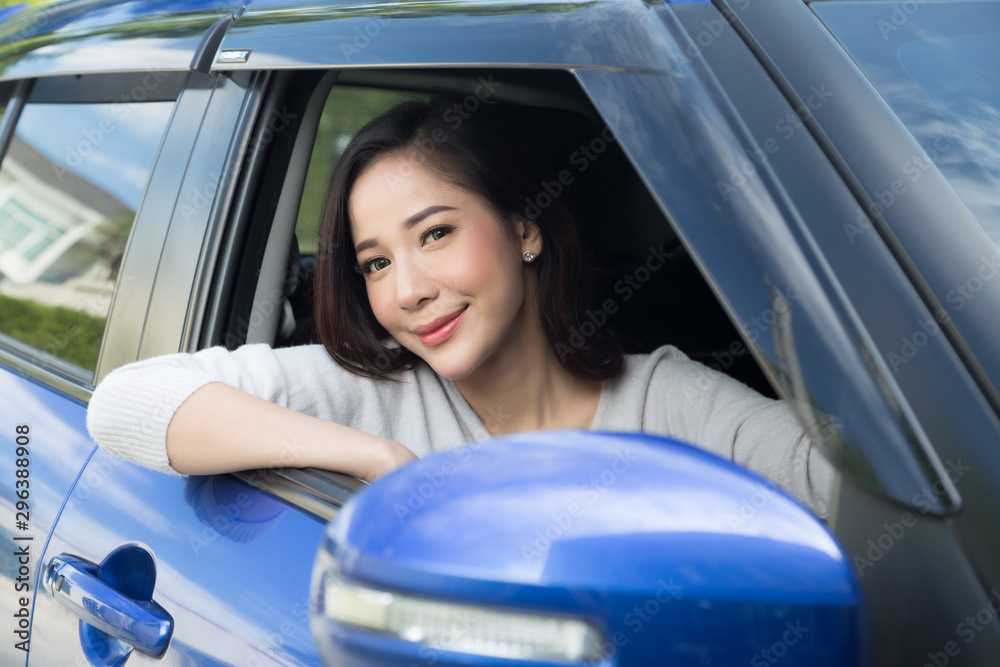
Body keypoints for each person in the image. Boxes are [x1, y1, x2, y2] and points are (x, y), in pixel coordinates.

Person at [86, 97, 834, 517]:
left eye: (436, 233)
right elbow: (124, 404)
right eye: (375, 261)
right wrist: (375, 459)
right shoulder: (370, 393)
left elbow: (873, 497)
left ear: (525, 228)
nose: (406, 289)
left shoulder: (669, 402)